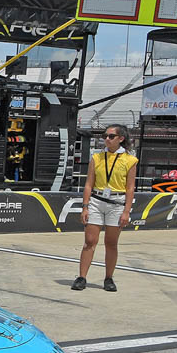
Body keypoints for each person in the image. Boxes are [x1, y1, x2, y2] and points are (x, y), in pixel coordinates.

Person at [74, 124, 137, 293]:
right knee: (90, 241)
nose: (106, 139)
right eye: (105, 136)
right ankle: (82, 277)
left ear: (121, 139)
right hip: (96, 200)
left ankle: (108, 278)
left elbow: (130, 188)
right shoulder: (97, 157)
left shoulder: (130, 160)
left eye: (110, 136)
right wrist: (85, 206)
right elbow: (88, 183)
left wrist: (126, 211)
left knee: (111, 243)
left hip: (117, 203)